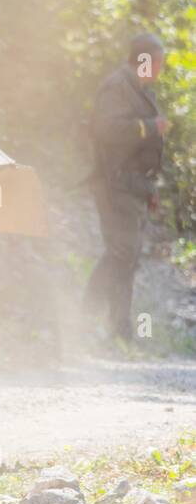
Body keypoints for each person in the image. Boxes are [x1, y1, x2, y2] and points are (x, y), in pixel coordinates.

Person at [85, 32, 168, 342]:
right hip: (114, 184)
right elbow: (106, 130)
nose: (160, 68)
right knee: (122, 252)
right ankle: (91, 317)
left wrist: (151, 190)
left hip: (134, 187)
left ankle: (118, 329)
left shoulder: (141, 90)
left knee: (127, 255)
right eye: (158, 62)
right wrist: (149, 127)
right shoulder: (117, 86)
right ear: (144, 60)